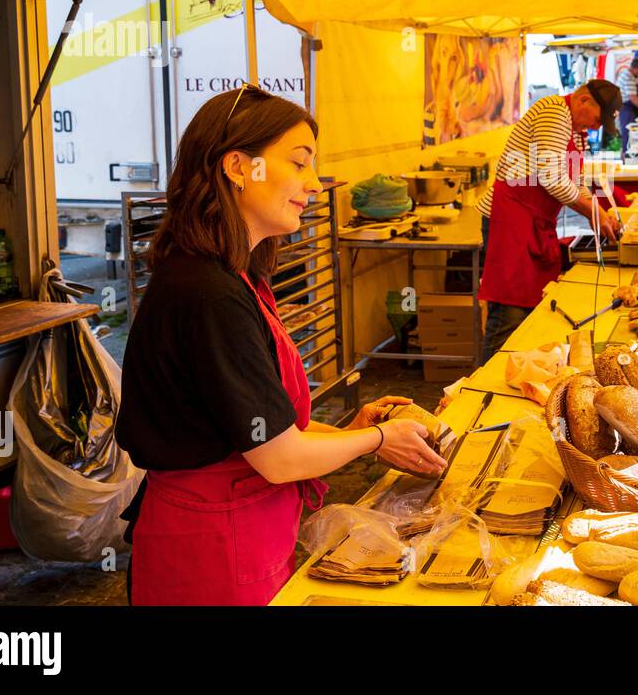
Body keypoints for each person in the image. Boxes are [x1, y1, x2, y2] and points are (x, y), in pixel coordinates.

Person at [117, 85, 447, 606]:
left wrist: (349, 432)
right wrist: (381, 440)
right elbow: (278, 457)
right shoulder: (208, 294)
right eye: (299, 163)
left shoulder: (236, 277)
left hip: (245, 528)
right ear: (237, 166)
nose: (314, 184)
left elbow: (256, 426)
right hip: (211, 549)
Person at [477, 80, 622, 359]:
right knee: (509, 312)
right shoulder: (554, 113)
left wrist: (597, 211)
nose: (595, 127)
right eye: (595, 120)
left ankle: (519, 374)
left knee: (530, 316)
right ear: (582, 101)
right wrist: (593, 212)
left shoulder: (575, 129)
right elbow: (552, 178)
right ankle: (484, 389)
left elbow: (575, 181)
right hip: (510, 220)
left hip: (535, 223)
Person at [614, 56, 638, 157]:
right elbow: (633, 98)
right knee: (628, 133)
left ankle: (627, 154)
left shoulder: (632, 76)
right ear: (637, 68)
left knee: (630, 133)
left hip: (631, 108)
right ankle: (626, 156)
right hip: (626, 108)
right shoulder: (628, 76)